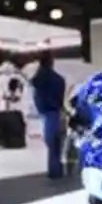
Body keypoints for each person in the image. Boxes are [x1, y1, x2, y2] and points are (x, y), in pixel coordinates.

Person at [31, 51, 67, 179]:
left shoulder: (40, 77)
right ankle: (56, 169)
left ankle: (54, 169)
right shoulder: (58, 79)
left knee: (52, 142)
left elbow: (34, 84)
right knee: (56, 142)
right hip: (56, 111)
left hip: (46, 112)